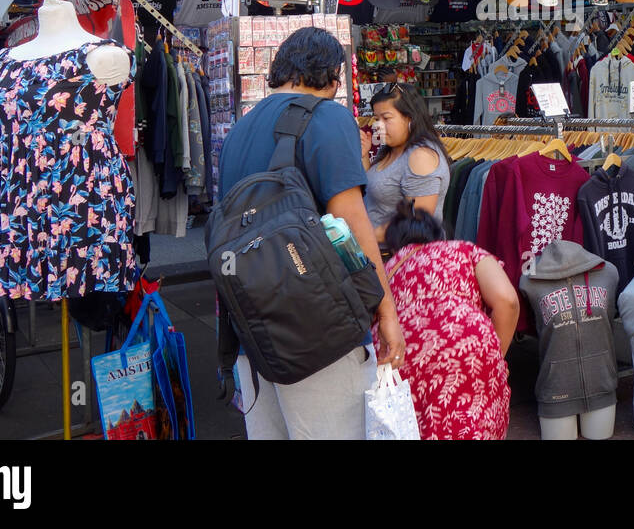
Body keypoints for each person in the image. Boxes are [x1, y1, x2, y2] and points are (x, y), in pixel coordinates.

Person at [217, 26, 405, 440]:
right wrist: (387, 312)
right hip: (319, 330)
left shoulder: (237, 132)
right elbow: (351, 225)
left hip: (250, 327)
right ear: (333, 76)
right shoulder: (328, 117)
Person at [374, 198, 519, 440]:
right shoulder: (464, 249)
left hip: (405, 354)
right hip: (468, 341)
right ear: (438, 234)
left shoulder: (388, 270)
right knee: (473, 424)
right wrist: (494, 354)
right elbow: (508, 301)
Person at [361, 83, 451, 242]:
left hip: (401, 258)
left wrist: (362, 239)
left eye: (386, 118)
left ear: (409, 118)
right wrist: (364, 156)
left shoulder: (421, 157)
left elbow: (416, 223)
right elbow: (372, 189)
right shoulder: (389, 149)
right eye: (376, 118)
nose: (378, 125)